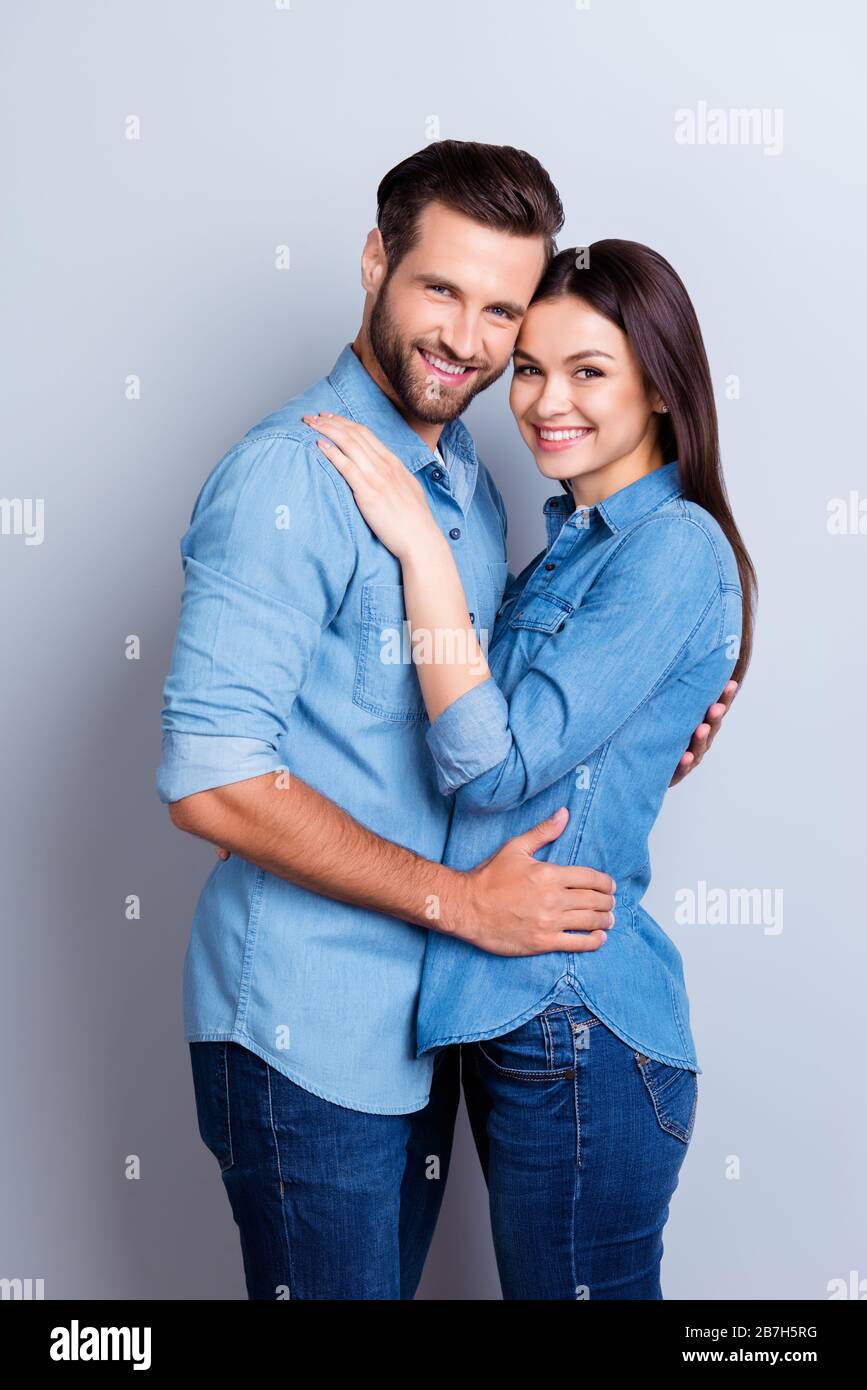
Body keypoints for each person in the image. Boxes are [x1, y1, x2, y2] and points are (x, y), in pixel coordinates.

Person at [158, 142, 734, 1301]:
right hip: (303, 1030)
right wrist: (461, 900)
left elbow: (472, 744)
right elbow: (212, 781)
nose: (468, 342)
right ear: (375, 262)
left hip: (423, 1034)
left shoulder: (467, 485)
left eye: (500, 312)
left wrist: (632, 760)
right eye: (439, 290)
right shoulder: (294, 477)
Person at [308, 236, 754, 1299]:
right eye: (532, 369)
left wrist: (420, 545)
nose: (546, 401)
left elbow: (492, 768)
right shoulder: (567, 546)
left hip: (577, 1016)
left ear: (660, 383)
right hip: (511, 1008)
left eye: (589, 370)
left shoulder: (674, 545)